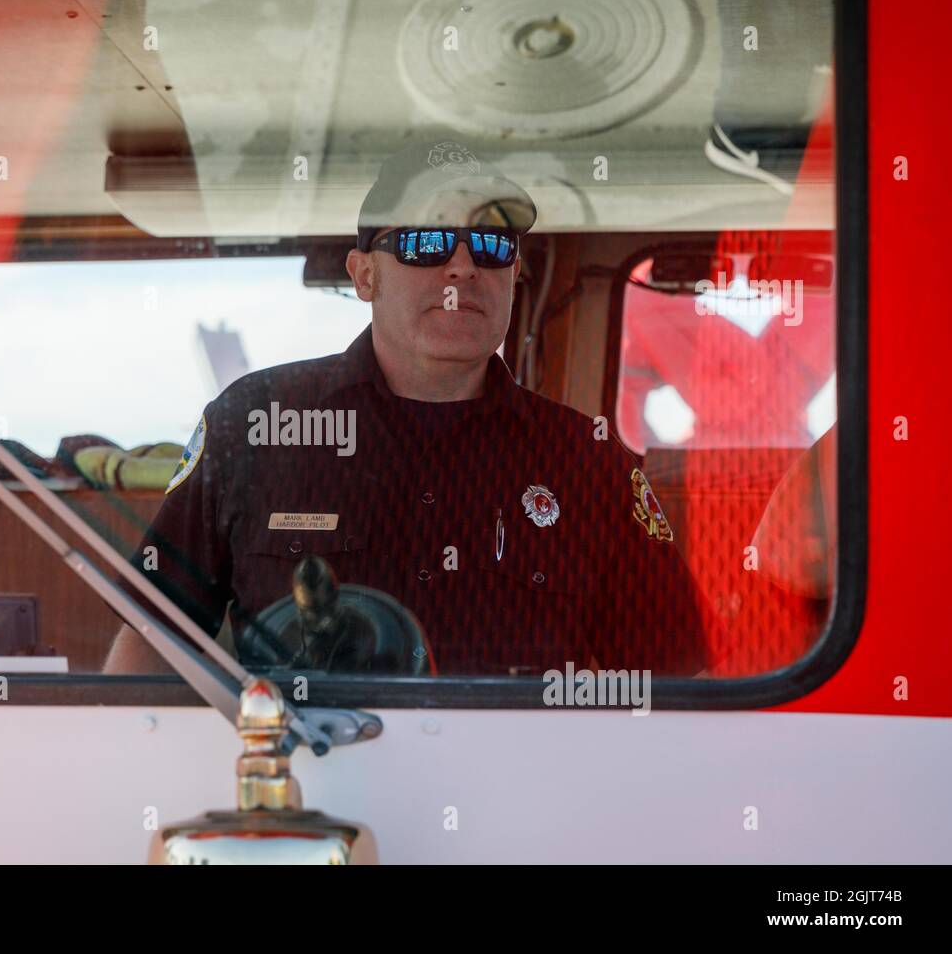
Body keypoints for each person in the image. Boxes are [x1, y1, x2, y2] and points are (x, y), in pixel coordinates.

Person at [105, 140, 710, 677]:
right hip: (309, 789)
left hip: (522, 793)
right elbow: (152, 641)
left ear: (514, 274)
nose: (463, 267)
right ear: (364, 274)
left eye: (492, 245)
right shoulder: (254, 426)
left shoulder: (589, 461)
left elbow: (680, 680)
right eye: (426, 242)